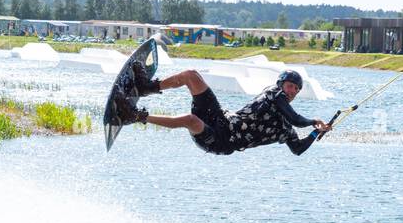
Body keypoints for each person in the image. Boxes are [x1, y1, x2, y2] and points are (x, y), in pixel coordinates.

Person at [120, 67, 333, 157]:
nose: (292, 90)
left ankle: (135, 116)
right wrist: (315, 121)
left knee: (190, 120)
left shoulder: (286, 128)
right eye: (289, 85)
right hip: (222, 118)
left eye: (296, 89)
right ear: (280, 84)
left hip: (223, 141)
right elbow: (296, 118)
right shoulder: (274, 94)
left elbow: (297, 149)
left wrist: (316, 133)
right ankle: (148, 87)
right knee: (191, 75)